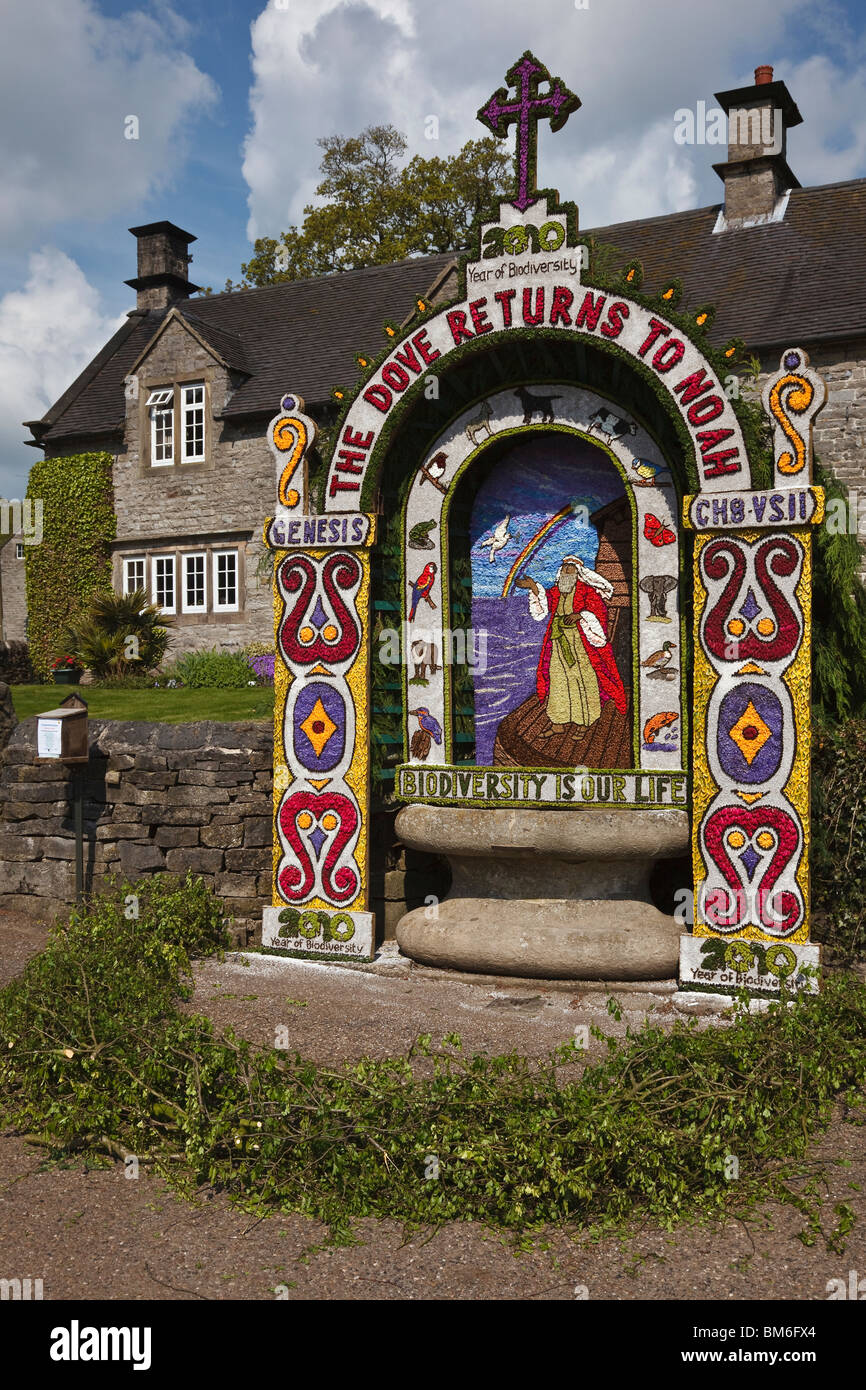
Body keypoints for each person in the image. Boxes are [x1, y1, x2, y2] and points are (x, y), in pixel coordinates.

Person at [527, 554, 626, 734]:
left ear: (578, 572)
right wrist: (533, 586)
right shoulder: (558, 590)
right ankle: (558, 723)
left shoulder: (586, 591)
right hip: (558, 641)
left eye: (571, 568)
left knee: (584, 679)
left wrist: (579, 615)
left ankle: (583, 723)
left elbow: (600, 611)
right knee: (558, 680)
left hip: (580, 643)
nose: (567, 571)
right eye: (565, 568)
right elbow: (544, 602)